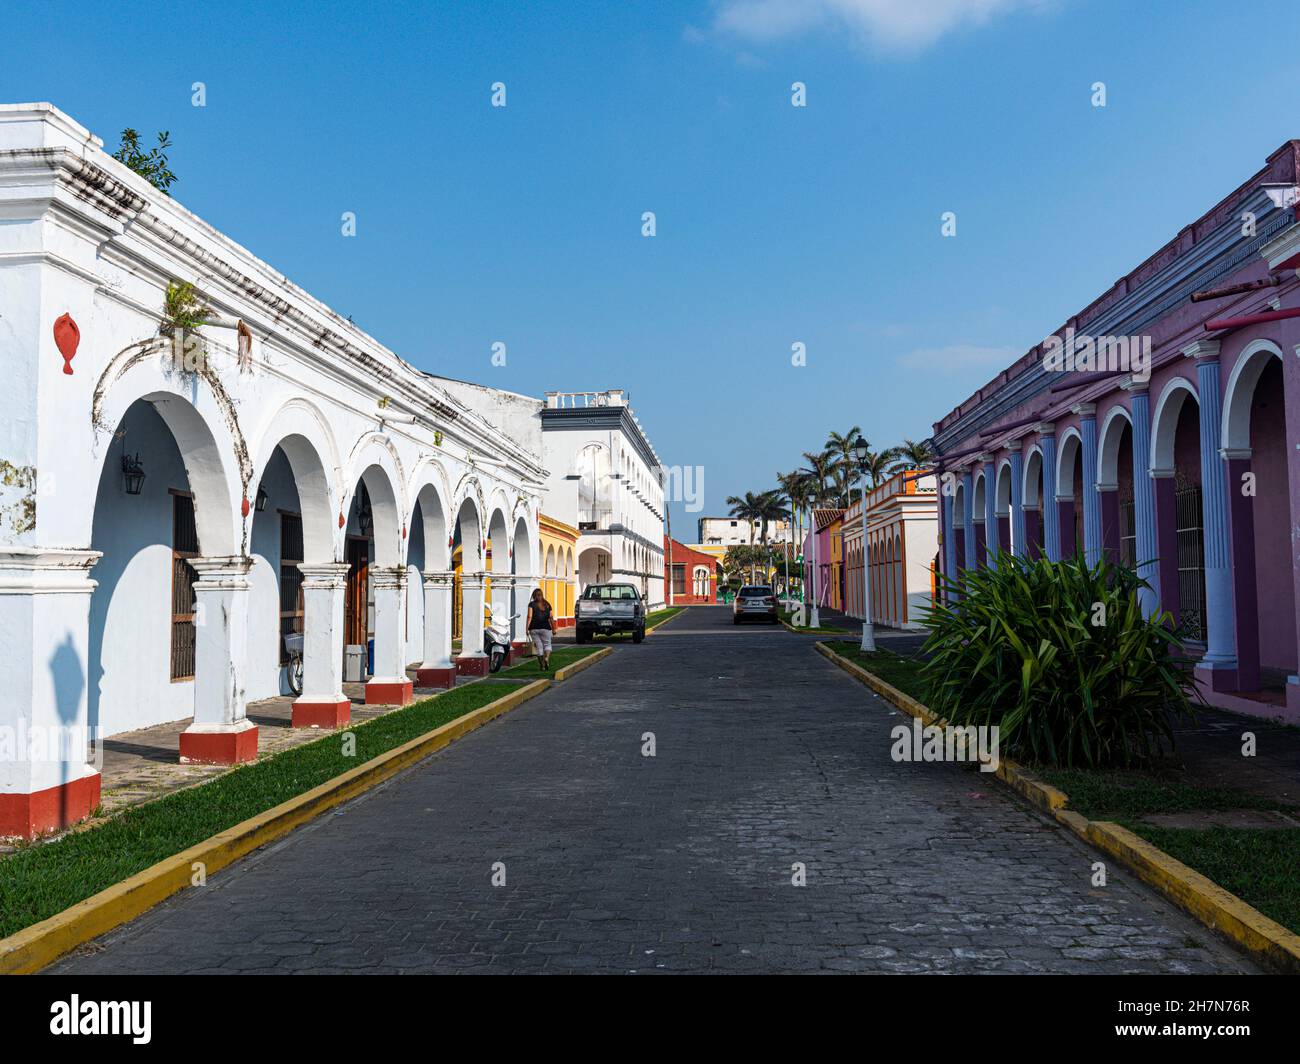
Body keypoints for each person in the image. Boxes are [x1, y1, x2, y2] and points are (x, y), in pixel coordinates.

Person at [526, 587, 554, 670]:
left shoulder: (531, 604)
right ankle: (546, 659)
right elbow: (551, 618)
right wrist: (554, 629)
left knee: (539, 647)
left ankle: (542, 666)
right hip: (546, 628)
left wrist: (527, 628)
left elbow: (529, 616)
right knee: (547, 645)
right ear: (542, 595)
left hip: (534, 628)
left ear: (534, 596)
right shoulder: (547, 604)